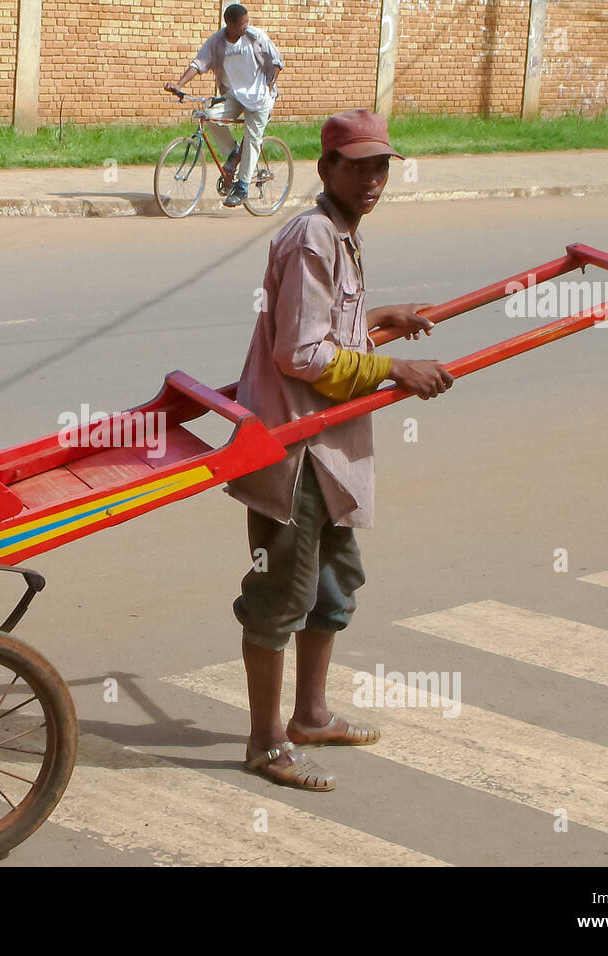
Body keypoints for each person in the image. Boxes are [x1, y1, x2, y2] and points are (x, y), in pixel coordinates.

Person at [226, 109, 455, 791]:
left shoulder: (341, 235)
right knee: (279, 597)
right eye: (358, 167)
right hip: (293, 451)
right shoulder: (313, 239)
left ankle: (311, 715)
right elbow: (301, 352)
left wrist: (384, 320)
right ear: (327, 169)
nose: (373, 180)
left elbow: (331, 325)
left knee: (333, 588)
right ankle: (266, 742)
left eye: (381, 167)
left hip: (328, 455)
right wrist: (394, 369)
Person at [165, 4, 283, 208]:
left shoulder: (255, 37)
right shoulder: (217, 42)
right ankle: (232, 150)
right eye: (242, 24)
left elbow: (276, 61)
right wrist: (178, 84)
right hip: (235, 95)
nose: (246, 27)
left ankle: (242, 187)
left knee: (253, 138)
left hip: (260, 97)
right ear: (229, 24)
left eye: (247, 22)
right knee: (209, 115)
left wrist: (269, 83)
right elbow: (198, 63)